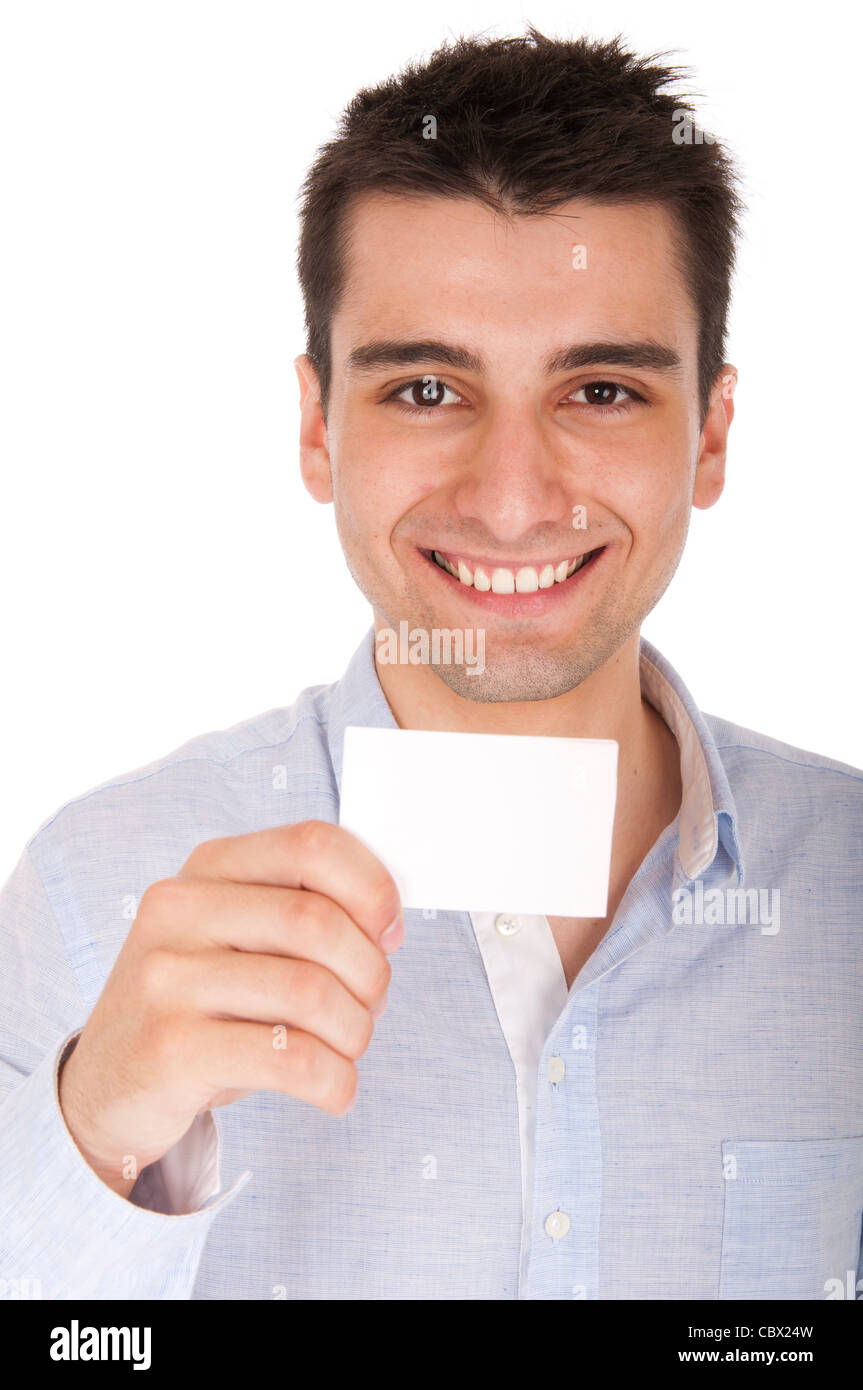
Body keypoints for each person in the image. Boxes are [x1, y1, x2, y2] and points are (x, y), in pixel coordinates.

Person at [1, 27, 861, 1302]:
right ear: (316, 428)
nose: (511, 500)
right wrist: (99, 1134)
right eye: (423, 390)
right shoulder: (97, 888)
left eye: (602, 391)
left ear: (710, 437)